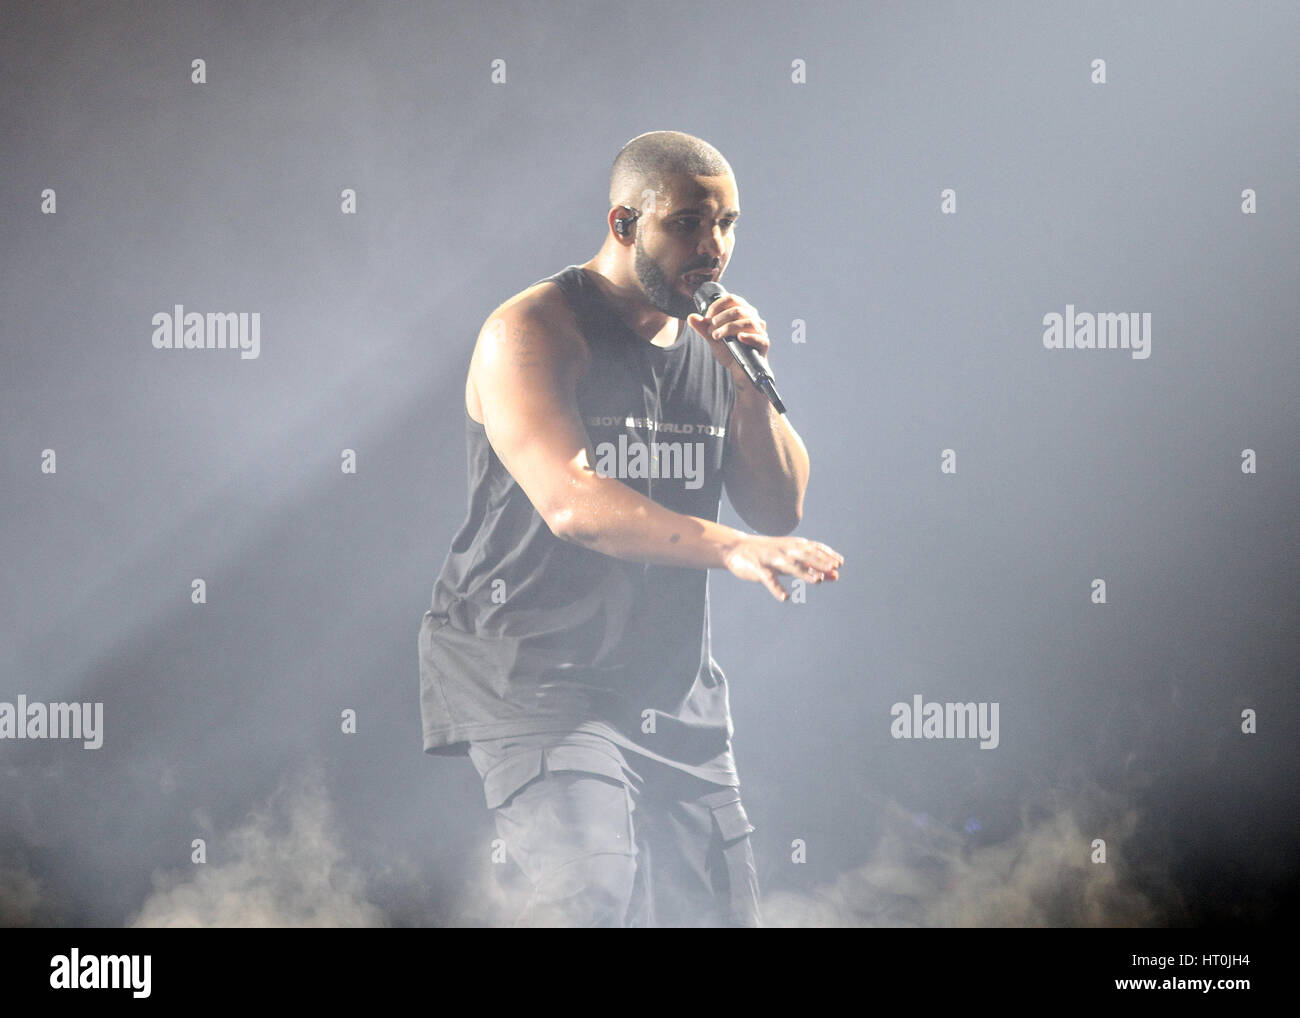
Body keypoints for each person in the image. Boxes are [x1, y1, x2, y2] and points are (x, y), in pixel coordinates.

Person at [418, 130, 844, 927]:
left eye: (726, 224)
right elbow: (572, 502)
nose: (712, 248)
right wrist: (734, 550)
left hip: (669, 687)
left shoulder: (714, 346)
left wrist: (750, 390)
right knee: (590, 893)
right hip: (536, 672)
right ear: (623, 225)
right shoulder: (533, 329)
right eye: (686, 223)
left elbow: (777, 509)